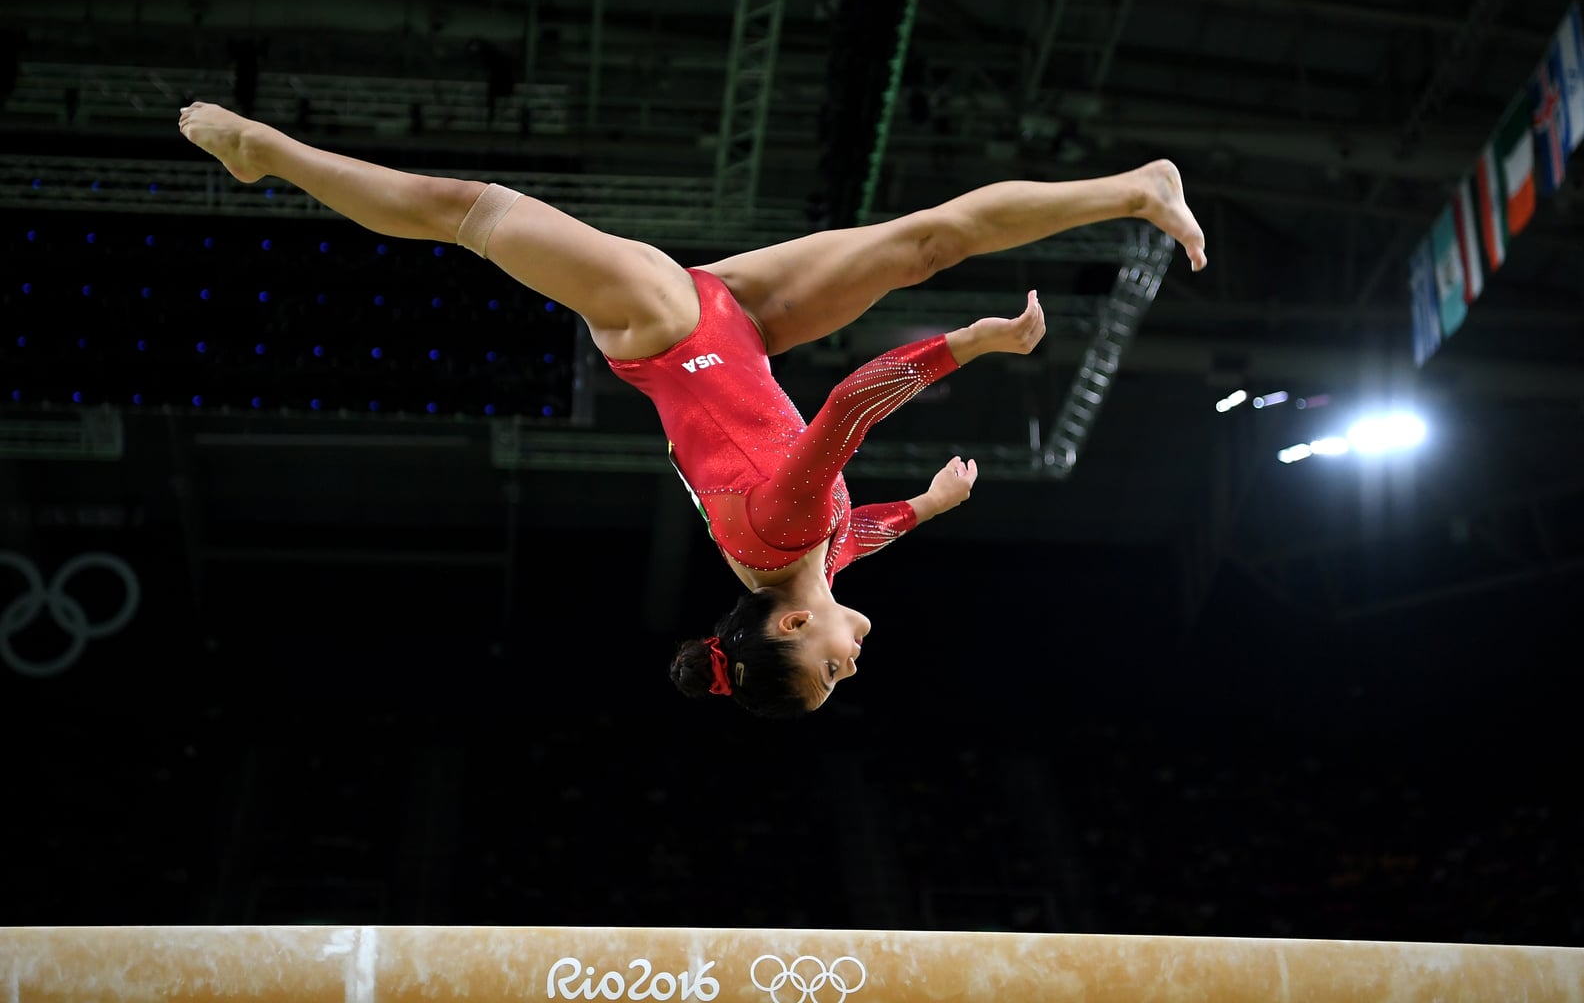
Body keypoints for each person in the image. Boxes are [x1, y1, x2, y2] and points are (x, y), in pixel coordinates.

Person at [177, 101, 1207, 719]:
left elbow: (849, 406)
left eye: (827, 675)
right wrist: (931, 509)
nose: (852, 670)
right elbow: (869, 533)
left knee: (470, 214)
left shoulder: (784, 534)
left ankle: (270, 153)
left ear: (792, 624)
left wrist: (974, 346)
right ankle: (1134, 189)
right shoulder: (821, 558)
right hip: (742, 327)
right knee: (926, 240)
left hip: (663, 326)